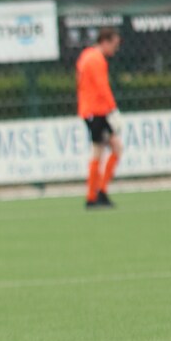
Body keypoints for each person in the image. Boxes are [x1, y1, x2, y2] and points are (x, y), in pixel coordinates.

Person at [77, 27, 123, 209]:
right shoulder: (96, 59)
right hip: (96, 112)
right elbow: (102, 86)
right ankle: (94, 195)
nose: (115, 49)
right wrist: (113, 109)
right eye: (114, 45)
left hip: (93, 110)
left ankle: (99, 193)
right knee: (100, 150)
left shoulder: (86, 56)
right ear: (105, 41)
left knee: (114, 147)